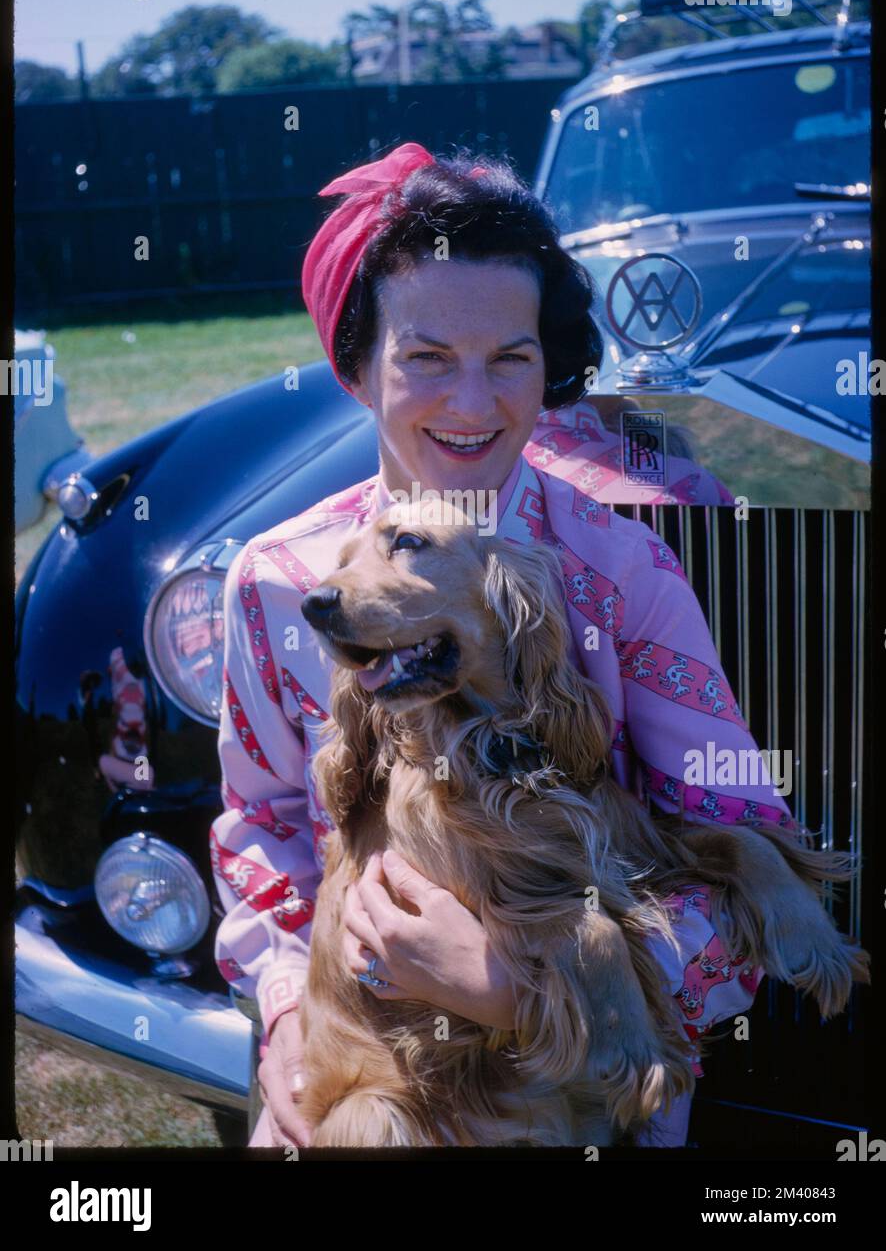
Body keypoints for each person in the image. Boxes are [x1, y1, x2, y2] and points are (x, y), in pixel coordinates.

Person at [210, 141, 793, 1150]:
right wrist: (292, 1007)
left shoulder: (624, 572)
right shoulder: (275, 582)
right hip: (366, 1084)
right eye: (427, 358)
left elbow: (745, 858)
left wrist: (518, 986)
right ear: (356, 366)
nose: (473, 406)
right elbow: (261, 824)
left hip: (582, 1096)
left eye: (510, 359)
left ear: (550, 365)